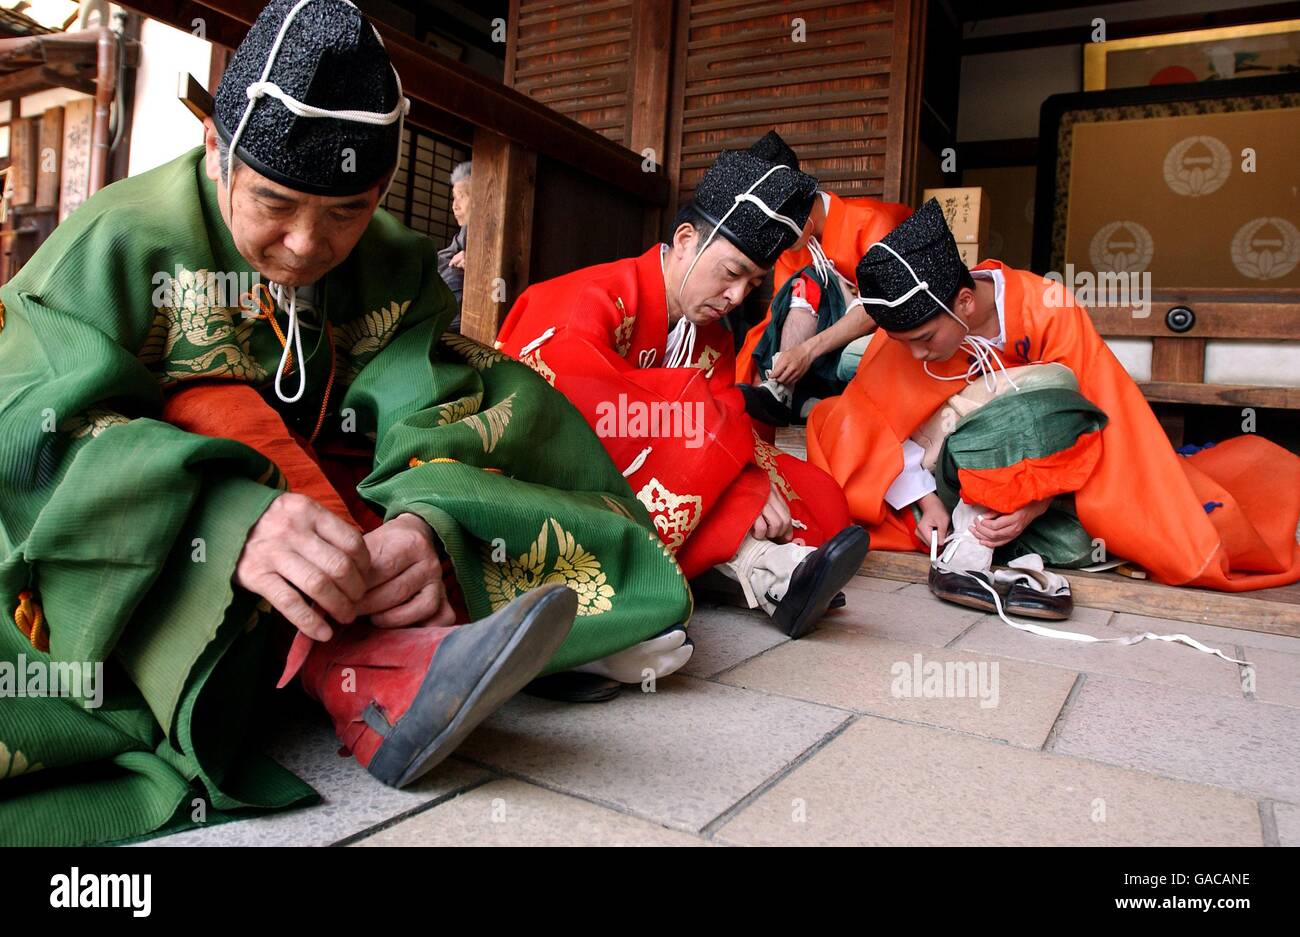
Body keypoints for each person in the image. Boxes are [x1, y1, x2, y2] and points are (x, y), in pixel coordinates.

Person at [0, 0, 691, 846]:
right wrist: (227, 517)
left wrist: (428, 524)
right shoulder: (117, 244)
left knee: (502, 386)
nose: (304, 245)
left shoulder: (388, 261)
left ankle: (409, 635)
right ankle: (378, 665)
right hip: (182, 558)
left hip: (329, 506)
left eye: (346, 211)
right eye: (275, 203)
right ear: (219, 149)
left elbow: (431, 400)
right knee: (207, 412)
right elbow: (30, 426)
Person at [807, 199, 1300, 621]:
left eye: (924, 339)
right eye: (904, 342)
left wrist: (1034, 502)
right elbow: (877, 420)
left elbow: (1097, 412)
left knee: (1053, 413)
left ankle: (992, 537)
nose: (916, 355)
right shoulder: (916, 329)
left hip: (1060, 471)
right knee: (843, 412)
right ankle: (975, 537)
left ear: (963, 300)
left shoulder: (1047, 307)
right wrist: (924, 501)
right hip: (951, 471)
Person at [496, 146, 870, 639]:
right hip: (562, 462)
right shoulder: (588, 298)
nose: (737, 297)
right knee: (711, 451)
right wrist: (729, 472)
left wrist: (740, 466)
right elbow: (586, 407)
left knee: (816, 494)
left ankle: (740, 565)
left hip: (660, 458)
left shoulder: (710, 331)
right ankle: (761, 568)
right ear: (687, 239)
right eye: (732, 274)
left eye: (753, 283)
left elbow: (719, 411)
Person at [734, 131, 911, 426]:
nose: (777, 240)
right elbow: (783, 314)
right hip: (824, 338)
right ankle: (785, 393)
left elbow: (880, 305)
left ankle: (788, 395)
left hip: (885, 323)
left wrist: (806, 350)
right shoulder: (792, 244)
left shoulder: (872, 221)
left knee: (813, 277)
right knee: (799, 290)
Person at [436, 159, 470, 330]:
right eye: (454, 198)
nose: (454, 206)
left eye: (461, 197)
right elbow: (443, 258)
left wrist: (474, 262)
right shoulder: (466, 232)